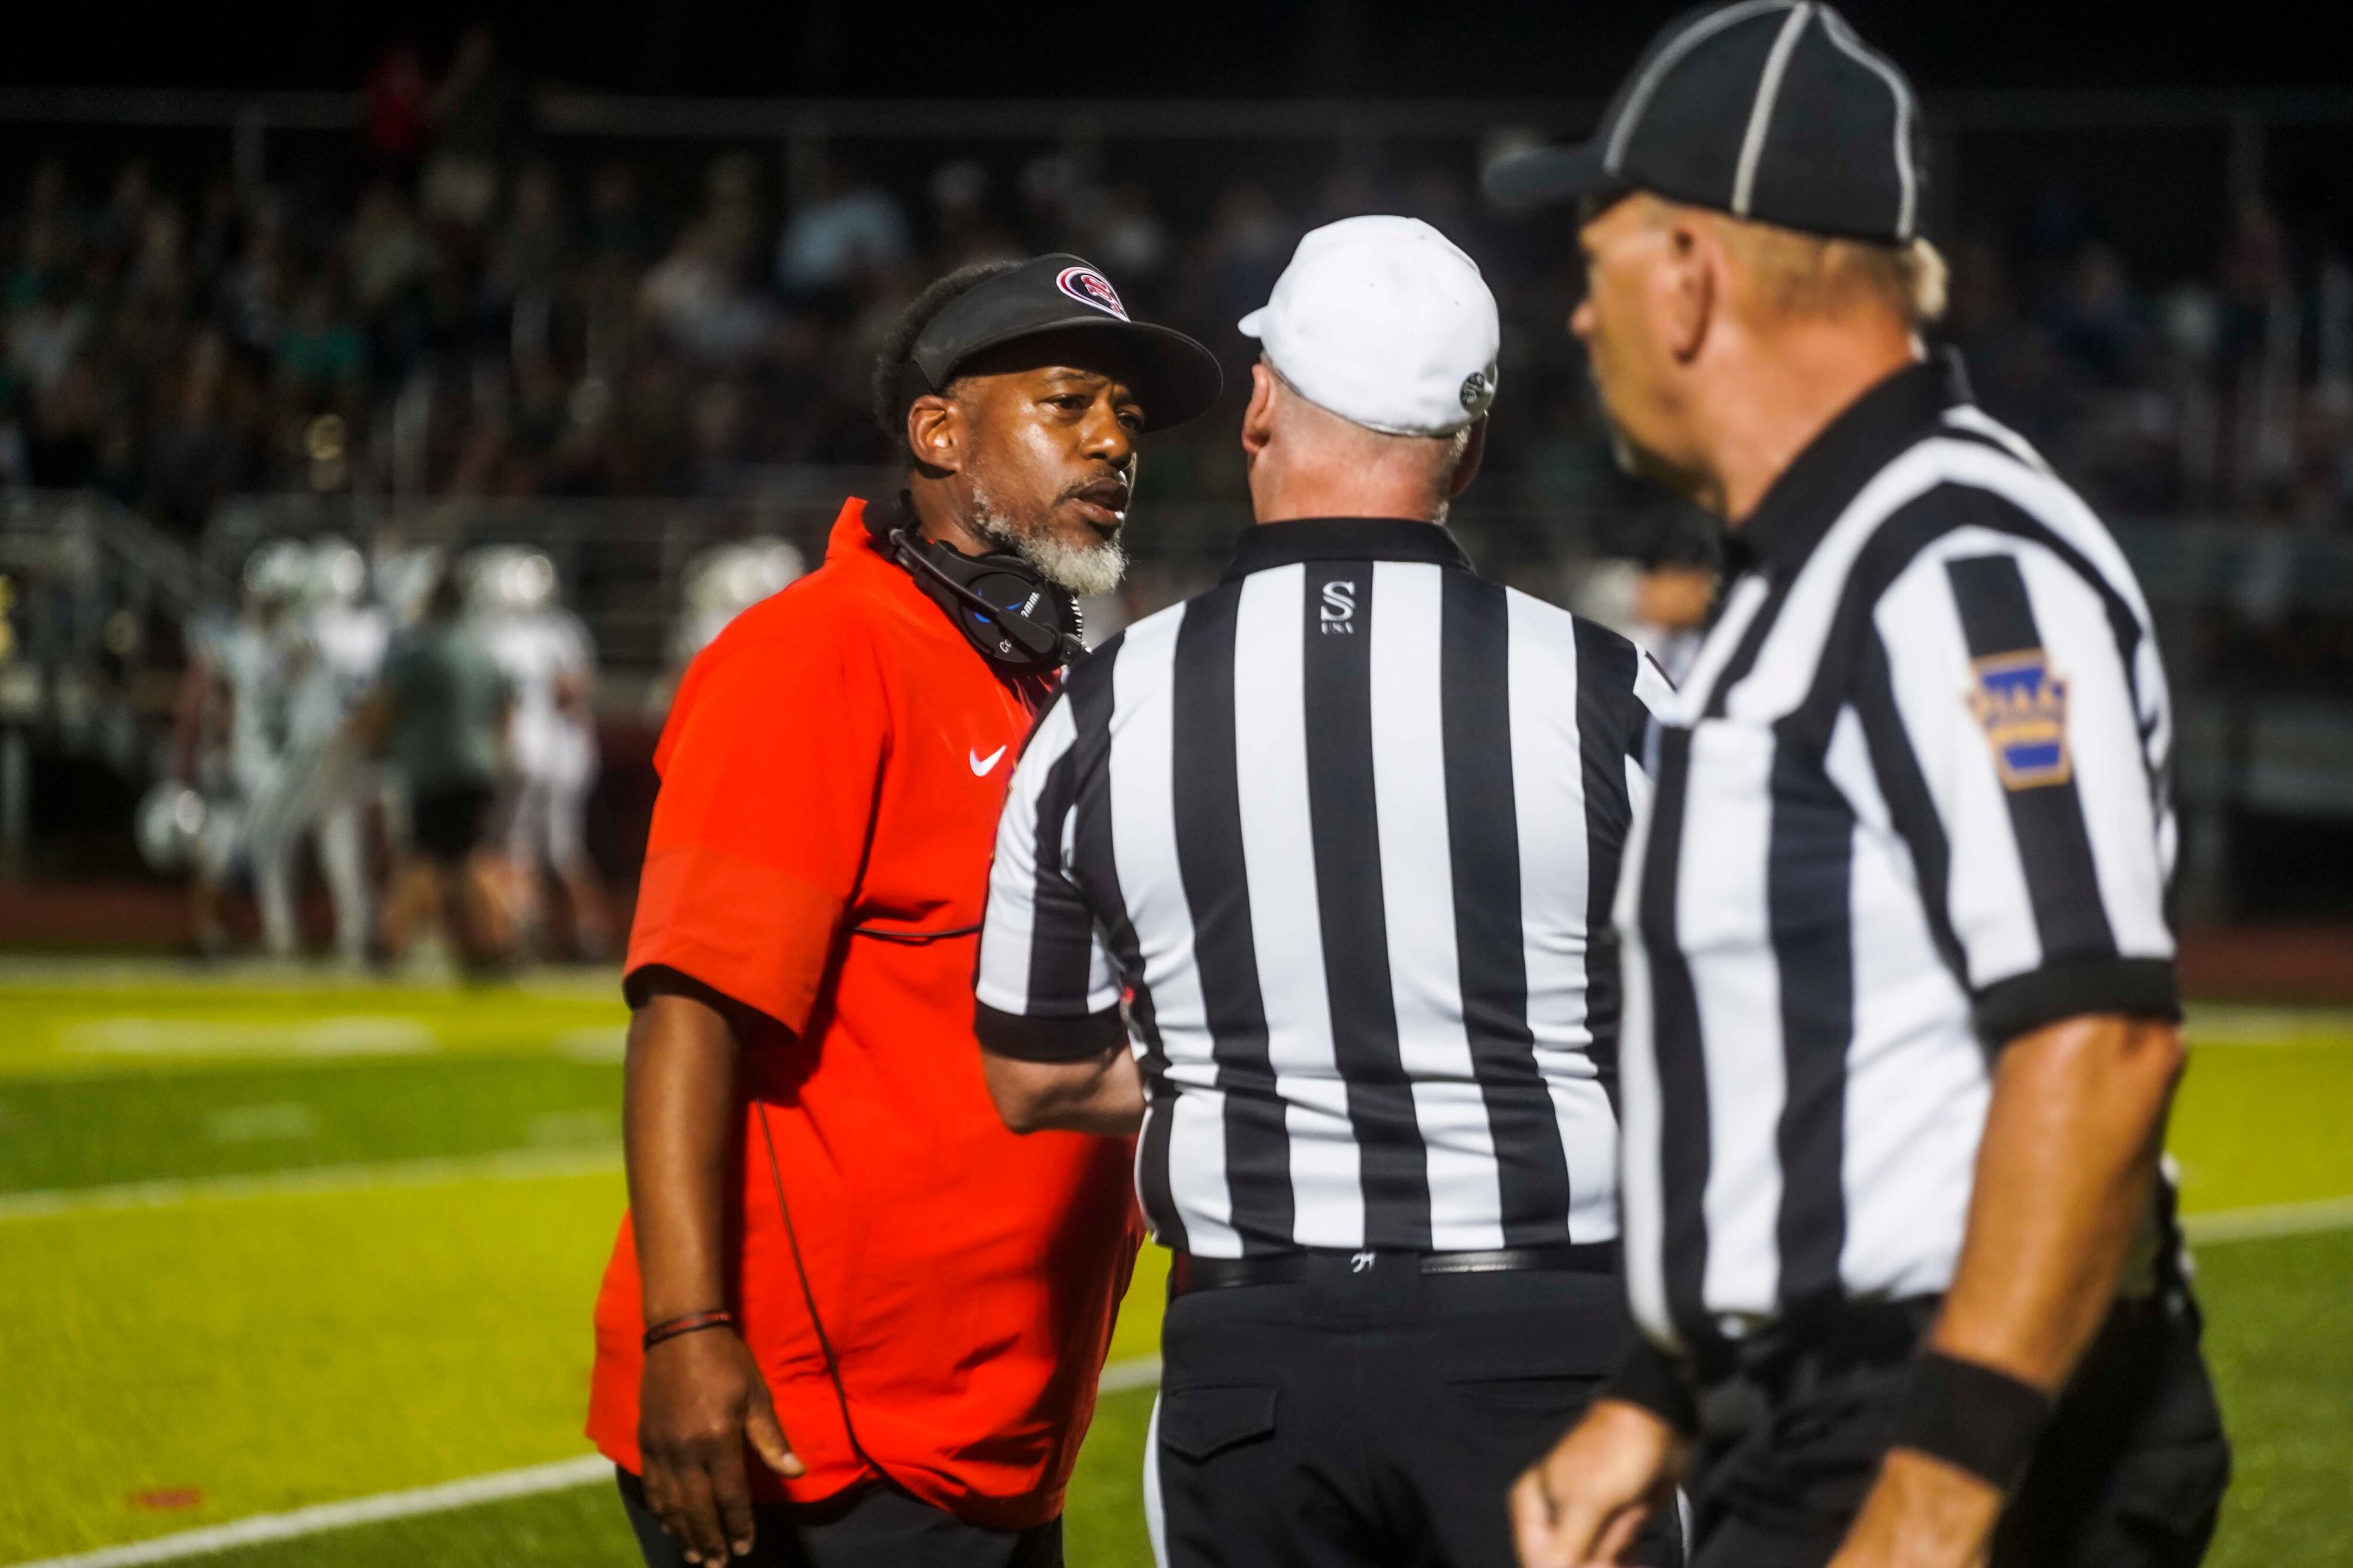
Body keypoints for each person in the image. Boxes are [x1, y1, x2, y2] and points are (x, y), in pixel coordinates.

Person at [1487, 7, 2228, 1567]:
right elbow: (1818, 1083)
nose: (1575, 318)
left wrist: (1937, 1493)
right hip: (1836, 1409)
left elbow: (2096, 1037)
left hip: (1953, 1422)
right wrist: (1661, 1391)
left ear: (1690, 272)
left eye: (1597, 254)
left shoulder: (1950, 561)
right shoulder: (1817, 575)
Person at [971, 216, 1677, 1567]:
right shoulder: (1602, 686)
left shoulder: (1110, 705)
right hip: (1547, 1332)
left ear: (1259, 407)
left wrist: (1257, 1064)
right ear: (1465, 443)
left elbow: (1031, 1074)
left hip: (1259, 1354)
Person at [588, 254, 1221, 1568]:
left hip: (990, 1427)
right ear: (938, 434)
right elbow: (689, 1012)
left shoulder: (1042, 680)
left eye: (1126, 418)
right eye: (1066, 403)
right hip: (819, 1428)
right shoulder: (817, 652)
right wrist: (686, 1334)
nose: (1111, 440)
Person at [362, 565, 513, 972]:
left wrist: (373, 744)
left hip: (435, 768)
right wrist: (497, 756)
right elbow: (505, 712)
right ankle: (495, 942)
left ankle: (389, 944)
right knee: (465, 857)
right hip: (478, 767)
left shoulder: (420, 652)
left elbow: (383, 708)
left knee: (427, 858)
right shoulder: (483, 652)